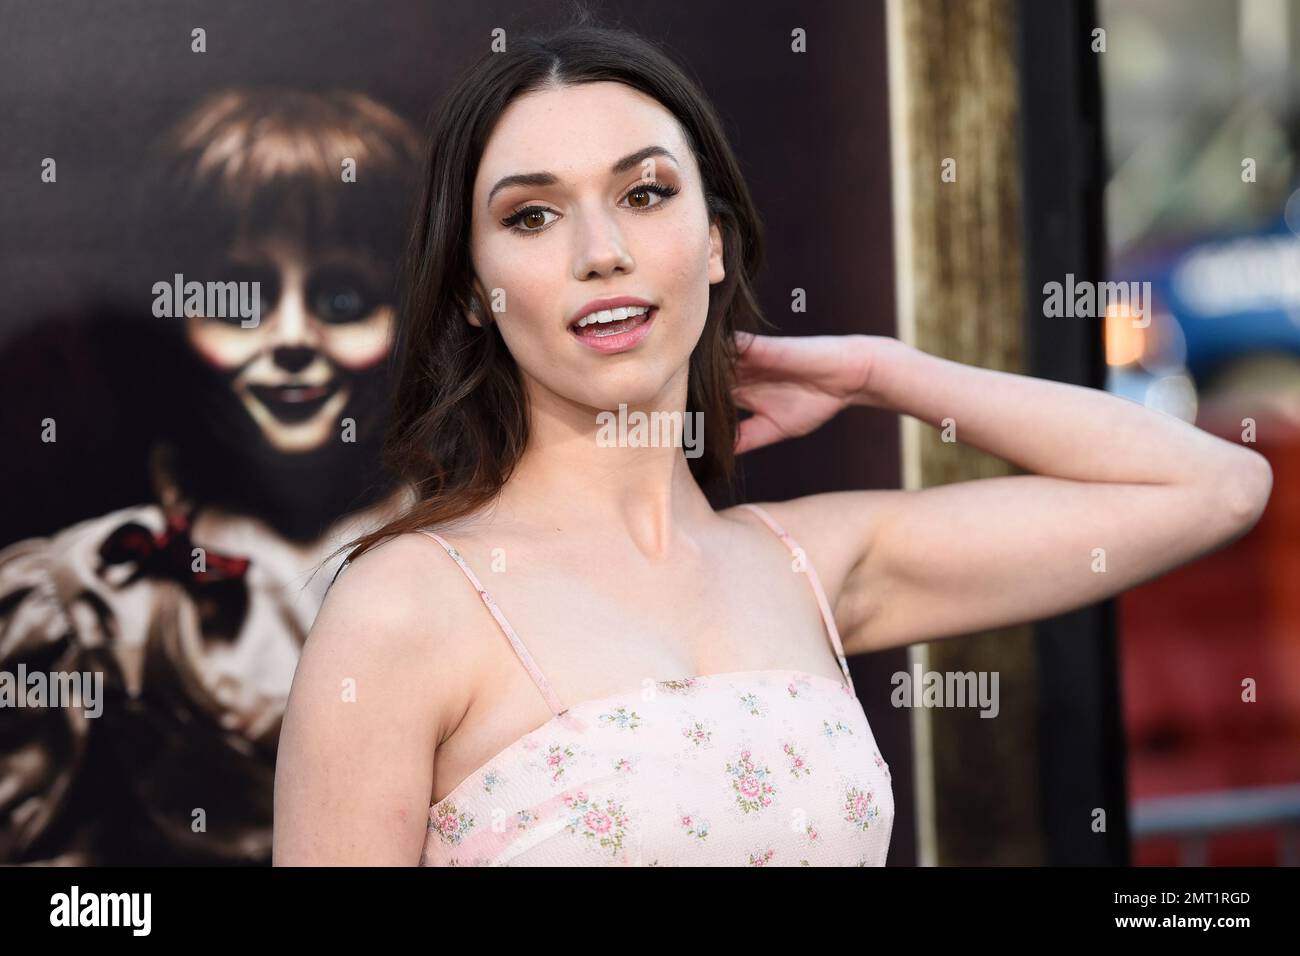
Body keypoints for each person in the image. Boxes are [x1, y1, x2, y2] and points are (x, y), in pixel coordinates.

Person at [271, 24, 1273, 867]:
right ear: (470, 293)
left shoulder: (807, 565)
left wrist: (884, 372)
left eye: (646, 192)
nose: (599, 249)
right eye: (531, 215)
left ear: (713, 243)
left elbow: (1215, 484)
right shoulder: (405, 607)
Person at [0, 88, 420, 864]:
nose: (293, 336)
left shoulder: (488, 551)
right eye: (243, 298)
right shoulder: (84, 602)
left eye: (343, 296)